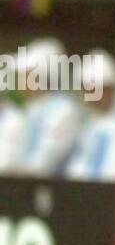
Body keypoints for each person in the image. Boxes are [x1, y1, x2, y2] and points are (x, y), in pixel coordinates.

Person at [65, 50, 115, 182]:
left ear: (108, 89)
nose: (85, 95)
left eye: (90, 89)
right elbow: (78, 165)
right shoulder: (90, 121)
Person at [17, 37, 82, 178]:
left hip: (57, 192)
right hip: (23, 187)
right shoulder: (31, 109)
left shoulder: (64, 110)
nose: (18, 81)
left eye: (23, 75)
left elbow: (45, 161)